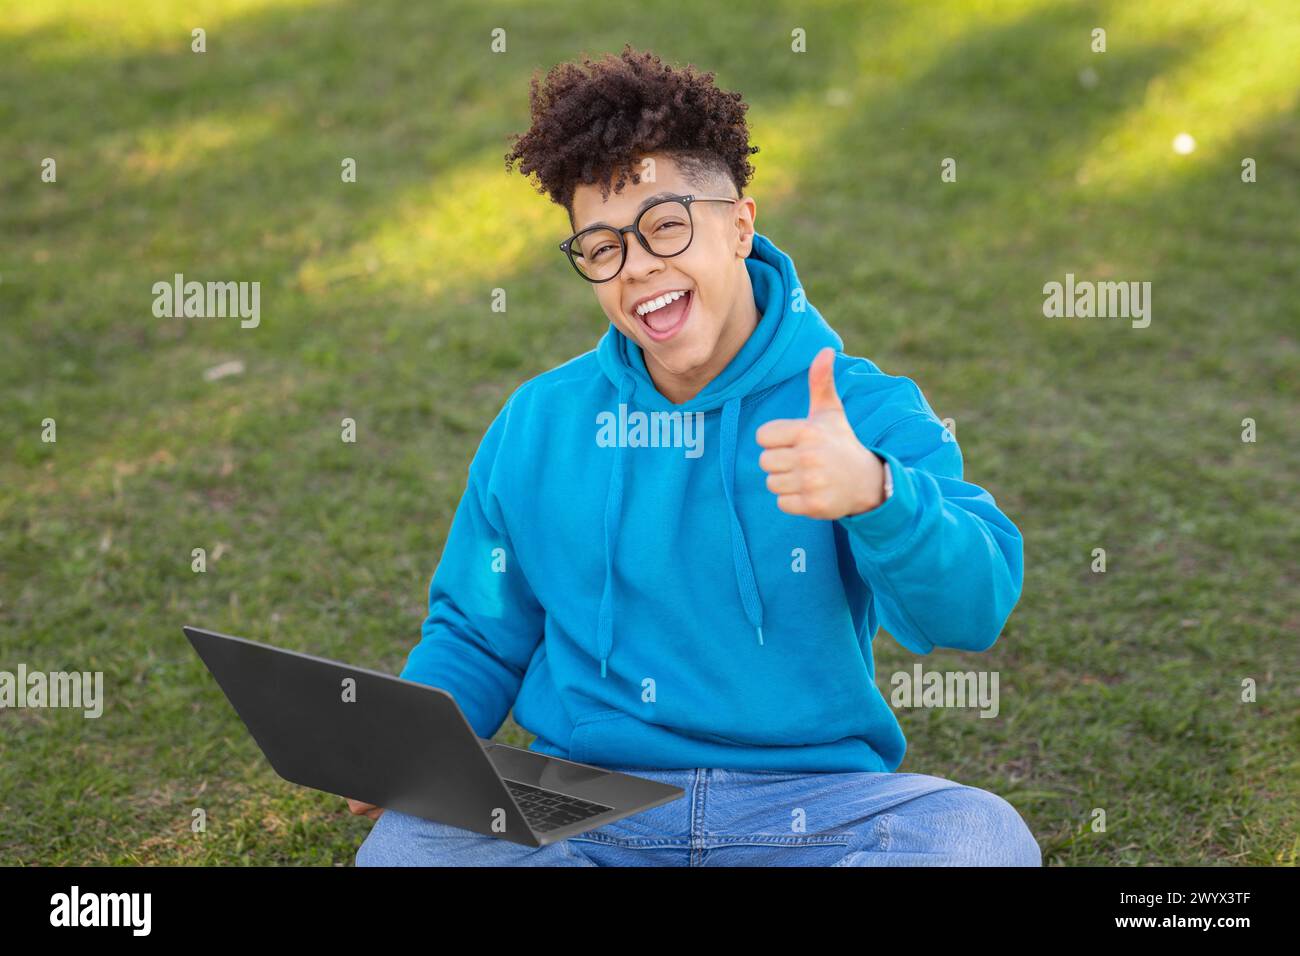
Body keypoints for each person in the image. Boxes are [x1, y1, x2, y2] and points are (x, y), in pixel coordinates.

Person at [353, 45, 1038, 867]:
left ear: (741, 225)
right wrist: (412, 744)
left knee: (977, 838)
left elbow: (974, 606)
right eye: (602, 248)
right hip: (588, 798)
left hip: (808, 802)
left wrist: (877, 495)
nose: (638, 266)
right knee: (410, 848)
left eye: (666, 225)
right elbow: (476, 630)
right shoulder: (539, 421)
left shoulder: (860, 408)